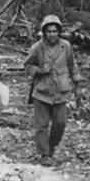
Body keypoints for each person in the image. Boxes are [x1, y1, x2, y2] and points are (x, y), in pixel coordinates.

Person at [24, 14, 81, 165]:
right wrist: (40, 70)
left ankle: (52, 146)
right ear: (44, 32)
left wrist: (76, 80)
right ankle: (44, 154)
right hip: (42, 91)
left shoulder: (66, 46)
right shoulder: (37, 48)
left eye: (55, 31)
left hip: (61, 91)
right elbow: (28, 66)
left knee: (60, 123)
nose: (52, 34)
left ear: (59, 32)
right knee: (41, 125)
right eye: (48, 31)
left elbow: (72, 64)